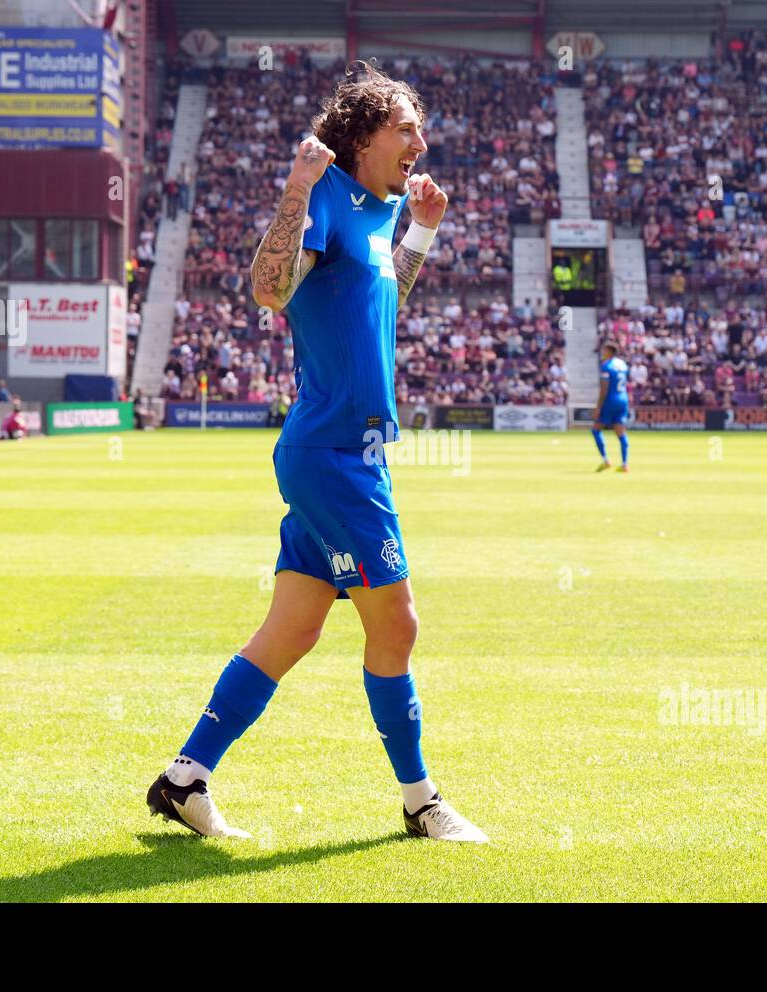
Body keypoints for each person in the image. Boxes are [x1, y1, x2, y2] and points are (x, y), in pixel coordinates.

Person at [146, 61, 487, 843]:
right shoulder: (329, 195)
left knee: (294, 629)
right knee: (396, 624)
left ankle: (184, 778)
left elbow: (381, 297)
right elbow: (270, 290)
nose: (419, 142)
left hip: (342, 451)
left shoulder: (376, 209)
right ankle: (421, 802)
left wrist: (424, 230)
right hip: (334, 453)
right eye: (405, 128)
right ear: (362, 135)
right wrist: (298, 185)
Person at [592, 342, 630, 472]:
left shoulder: (606, 366)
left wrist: (598, 407)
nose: (602, 354)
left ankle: (605, 460)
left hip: (610, 400)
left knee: (596, 429)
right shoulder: (622, 364)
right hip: (623, 399)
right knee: (621, 432)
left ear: (609, 351)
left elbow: (604, 389)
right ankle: (625, 464)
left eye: (604, 351)